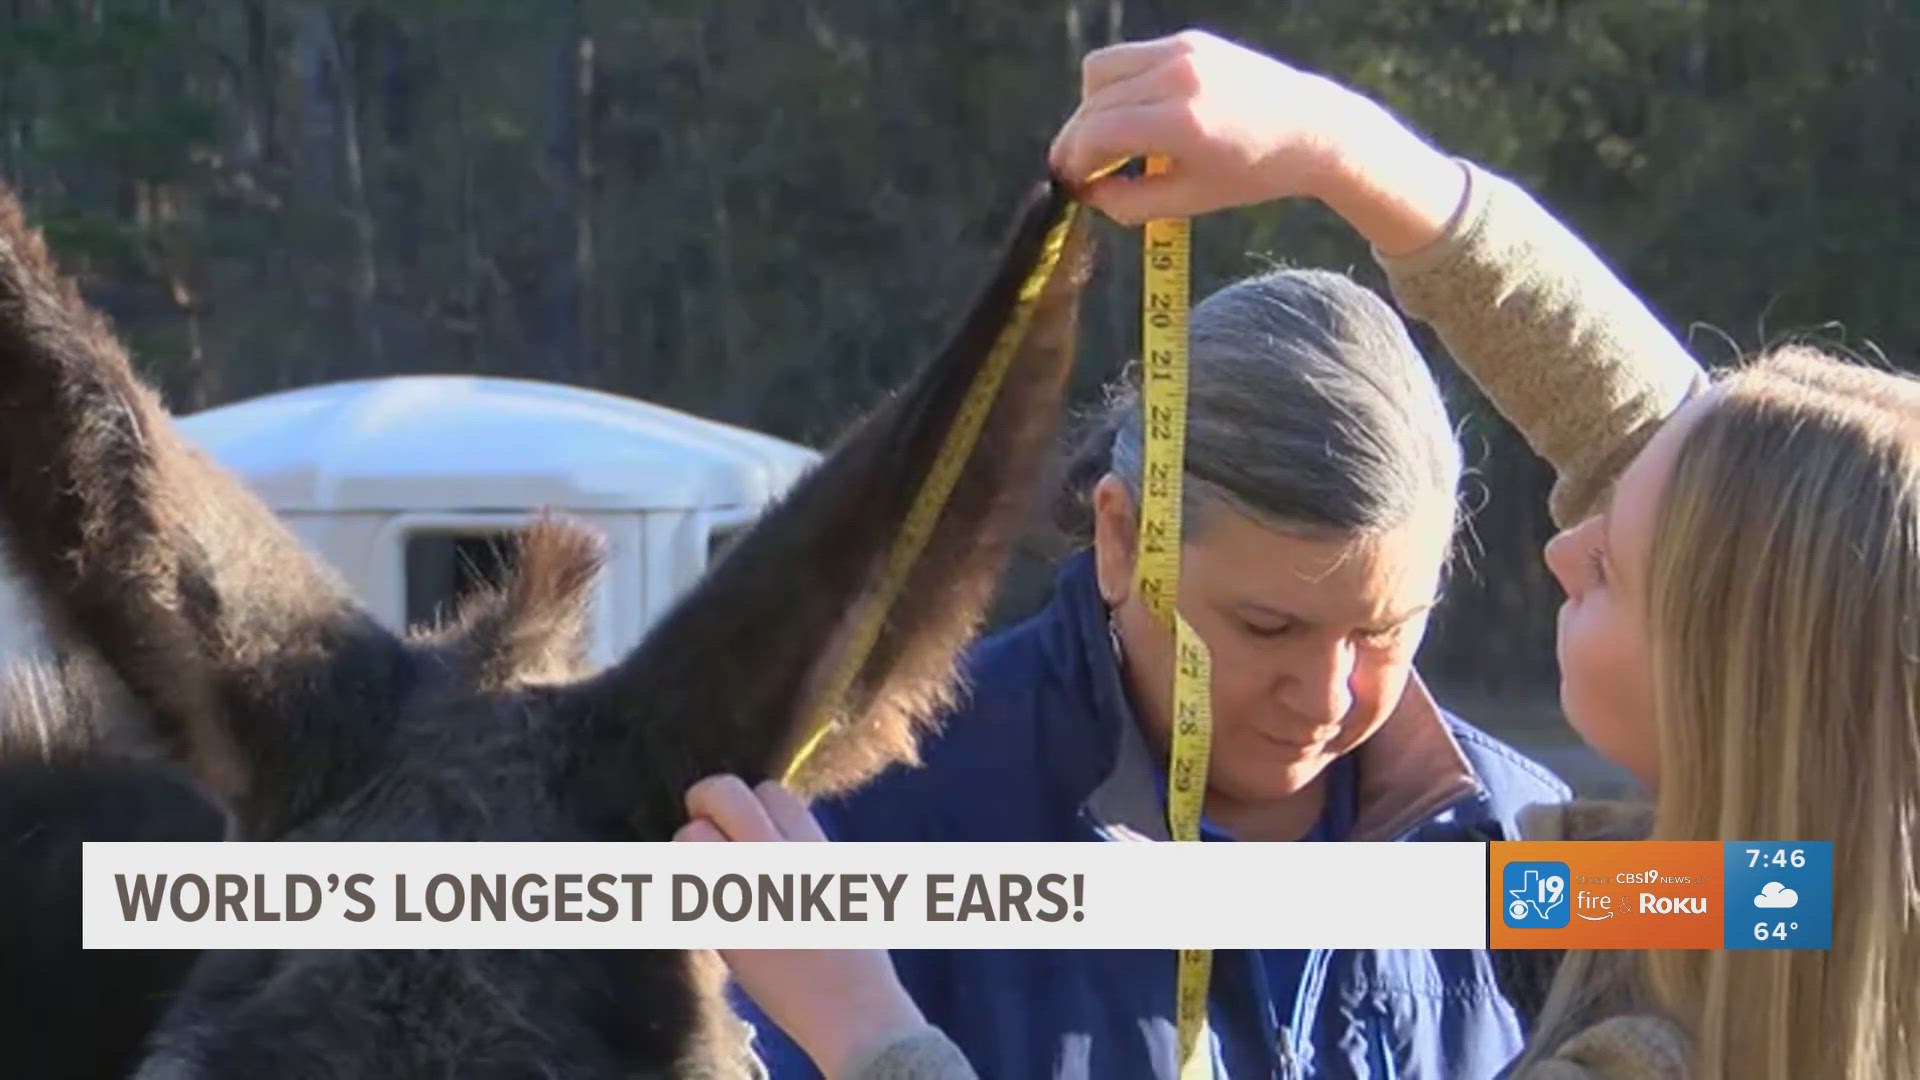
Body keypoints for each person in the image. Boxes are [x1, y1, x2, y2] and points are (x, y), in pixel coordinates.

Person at [690, 27, 1920, 1080]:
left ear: (1730, 679)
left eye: (1611, 567)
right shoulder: (1778, 900)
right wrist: (1344, 152)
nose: (1565, 547)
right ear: (1120, 538)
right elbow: (1714, 483)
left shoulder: (1553, 886)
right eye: (1268, 625)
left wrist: (867, 1029)